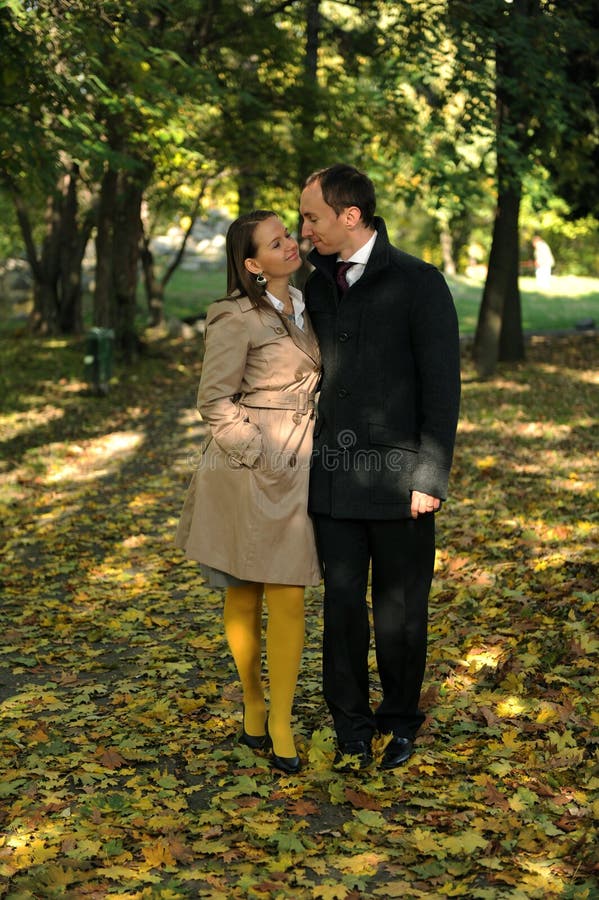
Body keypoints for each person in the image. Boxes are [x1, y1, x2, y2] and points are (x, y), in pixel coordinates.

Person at [299, 164, 461, 772]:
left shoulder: (419, 282)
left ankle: (399, 722)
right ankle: (351, 727)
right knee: (341, 609)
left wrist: (430, 477)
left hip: (400, 483)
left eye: (312, 216)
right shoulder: (313, 286)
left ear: (350, 216)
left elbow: (442, 390)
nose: (304, 228)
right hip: (333, 477)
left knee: (399, 611)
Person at [175, 210, 321, 775]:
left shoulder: (307, 304)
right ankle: (254, 705)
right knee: (244, 591)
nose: (291, 244)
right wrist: (260, 453)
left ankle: (280, 716)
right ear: (253, 265)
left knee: (289, 593)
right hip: (247, 467)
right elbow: (213, 401)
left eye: (289, 234)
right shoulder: (235, 318)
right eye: (276, 242)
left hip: (301, 461)